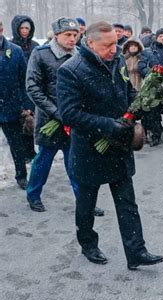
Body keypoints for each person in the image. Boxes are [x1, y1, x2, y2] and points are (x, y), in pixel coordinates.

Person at [57, 21, 163, 270]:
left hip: (119, 146)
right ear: (90, 43)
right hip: (89, 148)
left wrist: (138, 106)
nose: (114, 49)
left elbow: (126, 90)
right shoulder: (70, 70)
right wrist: (107, 125)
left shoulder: (116, 61)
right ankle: (88, 244)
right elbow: (69, 114)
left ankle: (136, 251)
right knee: (86, 203)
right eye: (107, 46)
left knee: (127, 201)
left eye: (116, 43)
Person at [25, 17, 81, 212]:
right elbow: (32, 87)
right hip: (49, 120)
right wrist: (56, 113)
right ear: (57, 35)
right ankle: (33, 195)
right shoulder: (40, 54)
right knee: (43, 160)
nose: (72, 39)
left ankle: (83, 200)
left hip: (72, 119)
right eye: (68, 35)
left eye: (75, 35)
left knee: (74, 161)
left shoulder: (80, 55)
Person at [0, 21, 29, 189]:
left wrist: (26, 105)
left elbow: (24, 80)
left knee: (16, 145)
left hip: (10, 106)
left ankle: (21, 176)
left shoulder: (16, 51)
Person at [138, 28, 163, 146]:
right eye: (160, 36)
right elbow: (142, 67)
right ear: (156, 38)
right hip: (153, 86)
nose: (162, 38)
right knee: (154, 112)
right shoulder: (148, 51)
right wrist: (154, 74)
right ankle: (156, 135)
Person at [10, 15, 38, 161]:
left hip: (32, 86)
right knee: (19, 122)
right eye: (22, 28)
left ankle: (31, 150)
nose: (25, 31)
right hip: (16, 87)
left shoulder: (34, 46)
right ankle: (22, 155)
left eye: (27, 27)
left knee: (30, 120)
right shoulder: (11, 46)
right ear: (16, 29)